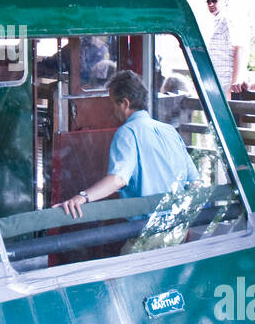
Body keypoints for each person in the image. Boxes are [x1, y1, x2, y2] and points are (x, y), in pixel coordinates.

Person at [58, 69, 197, 218]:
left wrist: (82, 197)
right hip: (177, 222)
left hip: (147, 227)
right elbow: (194, 180)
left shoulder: (127, 132)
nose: (112, 110)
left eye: (112, 103)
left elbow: (118, 179)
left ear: (125, 103)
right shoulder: (169, 131)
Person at [204, 0, 245, 91]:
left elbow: (239, 49)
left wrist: (235, 81)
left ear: (225, 1)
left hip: (227, 83)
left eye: (214, 1)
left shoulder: (226, 21)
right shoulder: (217, 21)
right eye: (208, 1)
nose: (210, 4)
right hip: (217, 81)